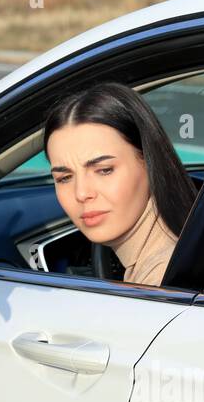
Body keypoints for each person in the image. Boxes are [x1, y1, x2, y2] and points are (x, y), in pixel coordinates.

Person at [42, 82, 195, 286]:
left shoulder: (163, 284)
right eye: (64, 178)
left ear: (149, 162)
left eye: (104, 170)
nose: (81, 193)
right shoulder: (179, 255)